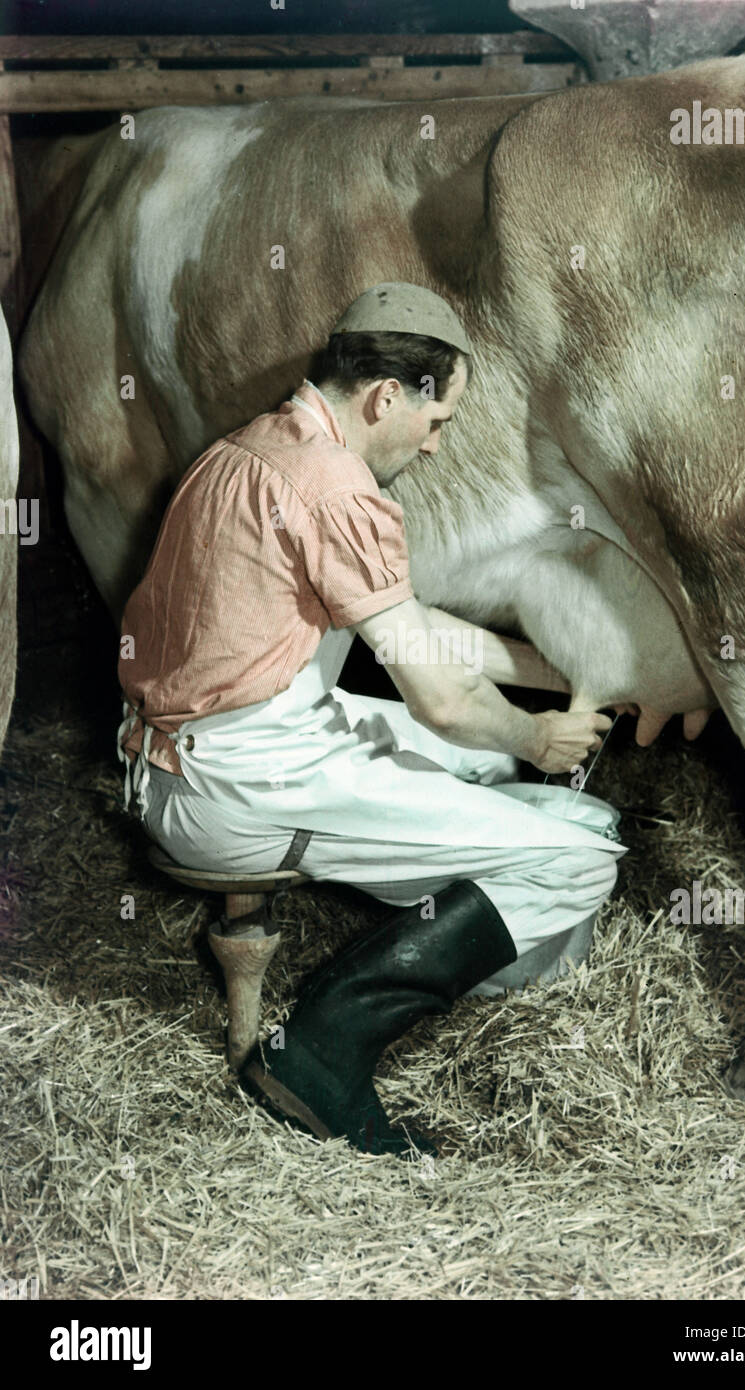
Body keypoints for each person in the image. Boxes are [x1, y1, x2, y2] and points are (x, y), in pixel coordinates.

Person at [117, 282, 628, 1158]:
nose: (434, 448)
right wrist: (539, 735)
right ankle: (316, 1055)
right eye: (437, 423)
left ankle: (473, 963)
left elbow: (409, 625)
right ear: (388, 397)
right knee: (583, 858)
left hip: (193, 749)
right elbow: (440, 696)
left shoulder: (246, 450)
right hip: (245, 780)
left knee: (529, 791)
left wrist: (560, 673)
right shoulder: (338, 487)